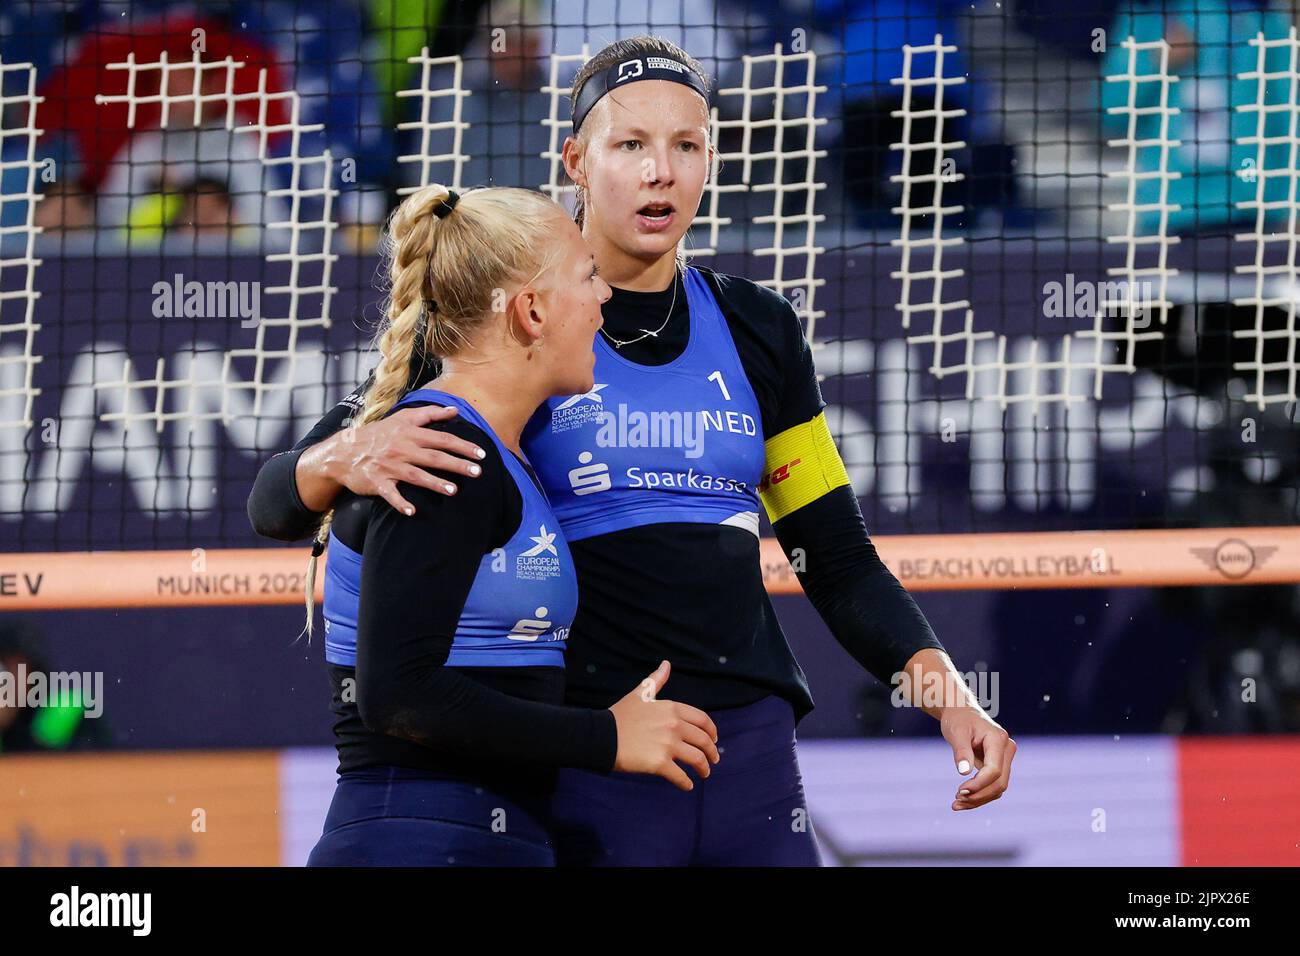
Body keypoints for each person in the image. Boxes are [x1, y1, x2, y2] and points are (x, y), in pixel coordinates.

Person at [250, 36, 1016, 867]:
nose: (662, 172)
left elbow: (833, 556)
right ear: (576, 160)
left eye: (686, 146)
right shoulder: (524, 317)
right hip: (592, 745)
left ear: (711, 161)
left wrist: (948, 698)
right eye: (632, 146)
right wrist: (329, 460)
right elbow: (277, 504)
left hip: (745, 747)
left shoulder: (759, 329)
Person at [303, 182, 719, 866]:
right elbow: (398, 694)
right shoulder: (446, 453)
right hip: (423, 840)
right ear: (530, 310)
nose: (603, 298)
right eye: (586, 277)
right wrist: (606, 738)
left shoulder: (480, 443)